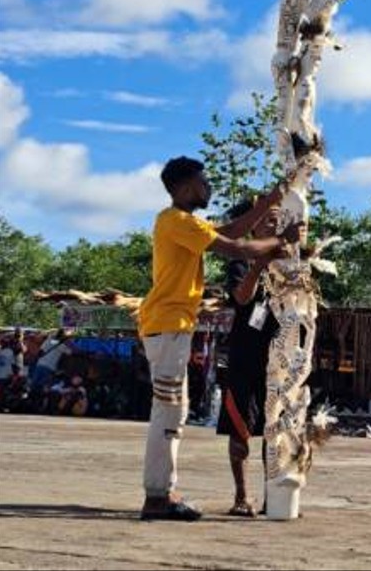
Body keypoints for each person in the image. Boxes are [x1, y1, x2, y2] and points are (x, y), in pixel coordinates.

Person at [137, 156, 302, 522]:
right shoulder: (175, 221)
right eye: (202, 181)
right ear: (182, 189)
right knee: (167, 412)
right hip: (168, 324)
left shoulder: (185, 223)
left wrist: (266, 204)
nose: (208, 186)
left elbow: (230, 231)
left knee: (174, 412)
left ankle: (164, 489)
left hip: (173, 325)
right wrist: (280, 241)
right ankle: (156, 496)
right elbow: (238, 247)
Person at [216, 198, 282, 518]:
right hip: (244, 355)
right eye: (267, 218)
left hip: (278, 358)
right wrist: (259, 263)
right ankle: (241, 496)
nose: (273, 223)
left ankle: (276, 497)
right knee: (239, 428)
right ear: (253, 223)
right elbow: (242, 298)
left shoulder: (288, 260)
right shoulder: (241, 260)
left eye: (277, 219)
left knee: (276, 431)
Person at [29, 329, 72, 393]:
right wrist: (68, 342)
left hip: (40, 364)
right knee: (43, 387)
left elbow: (40, 352)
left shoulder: (48, 341)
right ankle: (38, 399)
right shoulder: (61, 346)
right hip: (50, 368)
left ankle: (30, 397)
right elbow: (70, 352)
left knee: (33, 384)